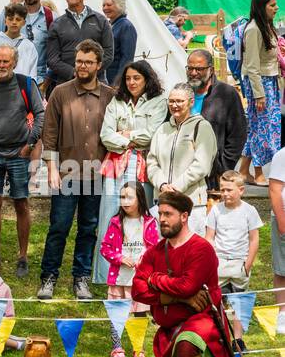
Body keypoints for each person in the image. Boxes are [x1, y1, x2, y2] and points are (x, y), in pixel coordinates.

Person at [132, 191, 277, 357]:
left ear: (185, 216)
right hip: (170, 329)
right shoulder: (155, 252)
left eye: (168, 214)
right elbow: (137, 289)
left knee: (190, 340)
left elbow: (188, 286)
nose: (162, 219)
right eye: (160, 215)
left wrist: (154, 279)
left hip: (203, 323)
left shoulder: (202, 249)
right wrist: (172, 297)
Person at [38, 39, 116, 300]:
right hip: (66, 173)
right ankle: (49, 277)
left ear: (98, 65)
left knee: (88, 228)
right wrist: (51, 167)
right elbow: (49, 134)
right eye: (79, 61)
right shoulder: (60, 92)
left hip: (96, 174)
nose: (82, 66)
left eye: (88, 62)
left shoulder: (109, 96)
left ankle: (80, 278)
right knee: (59, 226)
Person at [0, 44, 45, 278]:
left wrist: (30, 144)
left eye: (6, 62)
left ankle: (22, 256)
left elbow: (40, 113)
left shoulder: (26, 84)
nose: (1, 66)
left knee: (21, 202)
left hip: (19, 153)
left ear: (14, 63)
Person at [95, 60, 166, 286]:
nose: (132, 82)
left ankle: (139, 271)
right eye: (128, 78)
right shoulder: (117, 102)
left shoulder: (158, 103)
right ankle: (105, 274)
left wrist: (124, 134)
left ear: (147, 79)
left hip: (142, 164)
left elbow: (152, 135)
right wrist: (132, 137)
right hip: (116, 163)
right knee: (110, 215)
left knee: (139, 216)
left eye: (136, 78)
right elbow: (106, 135)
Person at [98, 182, 160, 357]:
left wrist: (144, 259)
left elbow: (155, 248)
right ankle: (117, 348)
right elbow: (105, 248)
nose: (124, 201)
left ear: (140, 199)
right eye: (122, 197)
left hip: (139, 280)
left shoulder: (149, 222)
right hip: (118, 279)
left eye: (129, 197)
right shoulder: (115, 222)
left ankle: (138, 348)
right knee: (116, 313)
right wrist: (119, 258)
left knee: (139, 313)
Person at [147, 83, 217, 236]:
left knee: (190, 253)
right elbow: (152, 162)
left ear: (191, 102)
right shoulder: (162, 129)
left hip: (191, 203)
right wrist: (163, 184)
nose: (175, 105)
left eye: (179, 101)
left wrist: (176, 187)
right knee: (164, 252)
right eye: (171, 101)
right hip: (163, 203)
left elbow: (202, 165)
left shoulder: (202, 127)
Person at [206, 171, 262, 349]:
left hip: (240, 263)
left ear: (241, 190)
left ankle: (238, 340)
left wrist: (248, 264)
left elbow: (254, 239)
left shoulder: (249, 211)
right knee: (217, 301)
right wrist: (212, 262)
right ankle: (219, 336)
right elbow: (209, 237)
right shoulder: (215, 210)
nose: (225, 194)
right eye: (222, 190)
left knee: (238, 301)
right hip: (219, 263)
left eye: (229, 190)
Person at [186, 49, 247, 194]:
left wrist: (223, 167)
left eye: (199, 69)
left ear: (211, 70)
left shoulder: (227, 94)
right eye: (190, 68)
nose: (193, 73)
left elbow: (238, 135)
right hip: (183, 170)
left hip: (213, 174)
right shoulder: (181, 93)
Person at [238, 0, 280, 185]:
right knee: (262, 130)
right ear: (261, 7)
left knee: (258, 128)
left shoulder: (266, 27)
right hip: (259, 83)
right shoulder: (254, 29)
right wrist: (259, 95)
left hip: (269, 82)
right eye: (272, 5)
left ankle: (244, 171)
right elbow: (252, 66)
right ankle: (259, 172)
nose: (276, 8)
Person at [44, 0, 114, 92]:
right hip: (67, 85)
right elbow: (52, 59)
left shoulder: (101, 21)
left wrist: (90, 71)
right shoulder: (57, 24)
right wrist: (74, 73)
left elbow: (109, 53)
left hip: (97, 83)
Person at [0, 0, 53, 83]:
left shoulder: (51, 17)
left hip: (39, 80)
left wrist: (46, 81)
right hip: (6, 78)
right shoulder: (8, 13)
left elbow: (53, 52)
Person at [0, 3, 38, 79]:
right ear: (5, 21)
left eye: (18, 19)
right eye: (10, 19)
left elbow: (32, 74)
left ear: (24, 22)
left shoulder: (29, 46)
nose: (14, 22)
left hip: (20, 88)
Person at [266, 147, 285, 337]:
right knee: (282, 269)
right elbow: (275, 189)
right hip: (284, 217)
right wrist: (282, 222)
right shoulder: (282, 155)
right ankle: (283, 313)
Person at [101, 0, 137, 85]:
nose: (105, 8)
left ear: (119, 6)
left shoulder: (126, 26)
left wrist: (118, 81)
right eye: (103, 5)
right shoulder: (110, 25)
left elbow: (127, 58)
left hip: (115, 79)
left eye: (109, 5)